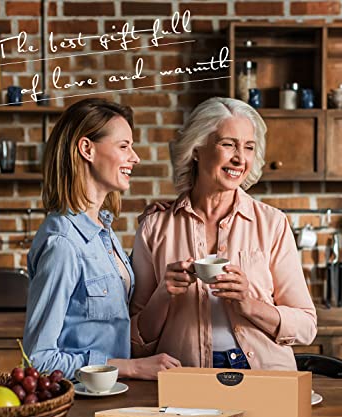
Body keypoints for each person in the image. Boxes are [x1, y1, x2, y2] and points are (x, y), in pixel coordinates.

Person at [130, 97, 317, 371]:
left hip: (265, 371)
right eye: (228, 144)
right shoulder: (155, 227)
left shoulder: (272, 224)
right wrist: (163, 294)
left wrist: (249, 304)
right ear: (197, 149)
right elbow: (135, 340)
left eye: (249, 147)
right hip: (186, 373)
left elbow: (306, 326)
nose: (240, 158)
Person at [23, 98, 181, 380]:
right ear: (87, 149)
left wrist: (149, 228)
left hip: (109, 395)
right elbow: (39, 361)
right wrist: (130, 367)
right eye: (124, 146)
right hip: (79, 403)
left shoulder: (103, 231)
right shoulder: (63, 243)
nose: (135, 157)